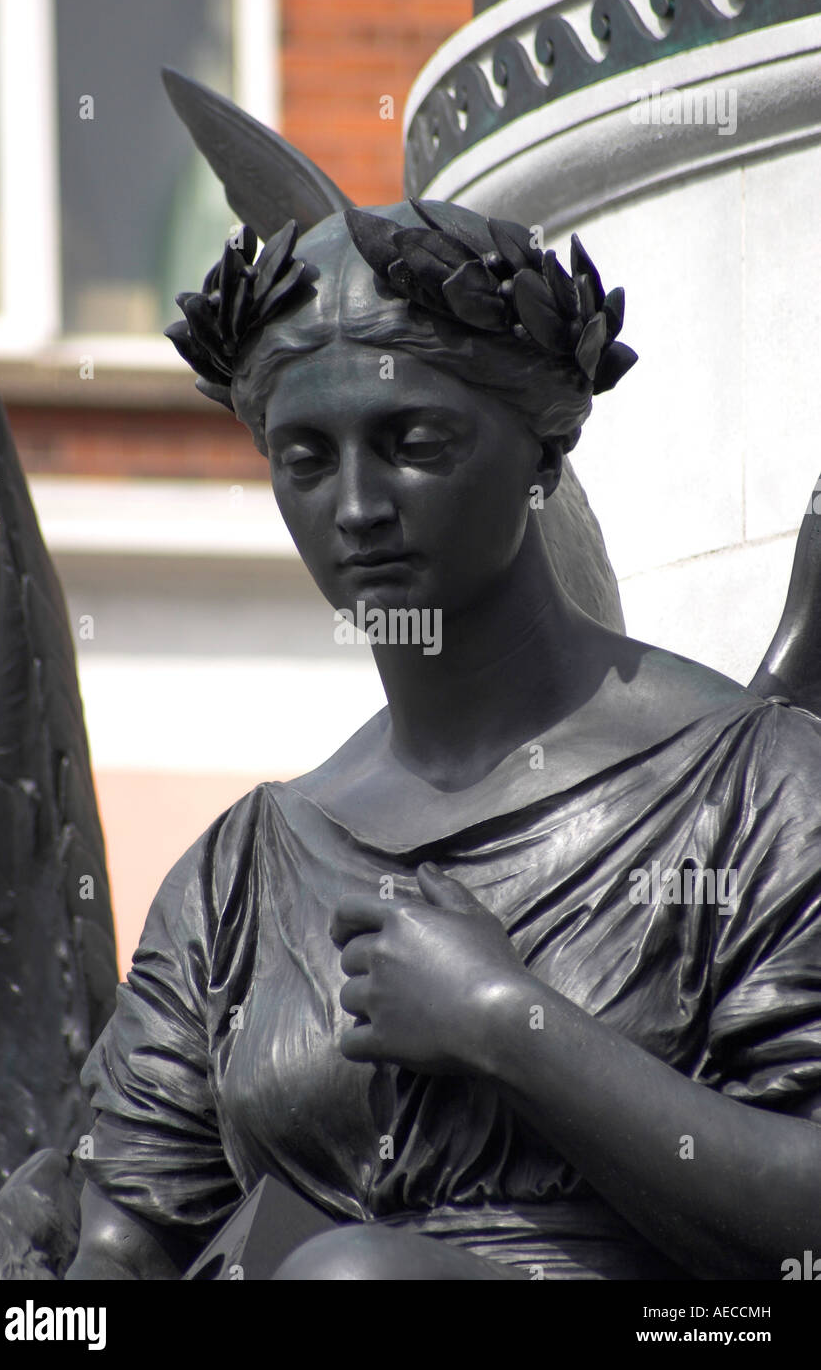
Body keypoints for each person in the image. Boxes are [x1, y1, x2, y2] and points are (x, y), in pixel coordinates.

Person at [67, 199, 821, 1281]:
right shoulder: (233, 877)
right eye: (304, 458)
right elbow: (118, 1253)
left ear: (542, 451)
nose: (358, 505)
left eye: (413, 443)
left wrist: (504, 1024)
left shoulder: (755, 789)